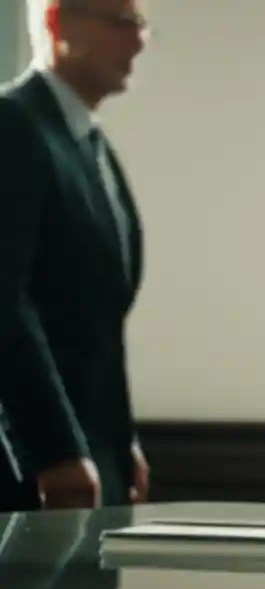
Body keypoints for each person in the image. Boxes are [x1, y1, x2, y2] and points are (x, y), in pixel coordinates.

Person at [0, 0, 150, 512]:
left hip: (94, 460)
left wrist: (120, 438)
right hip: (34, 474)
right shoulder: (11, 126)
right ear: (58, 23)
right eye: (122, 22)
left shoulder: (91, 144)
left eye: (143, 25)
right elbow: (4, 299)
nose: (140, 40)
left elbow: (98, 324)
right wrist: (56, 449)